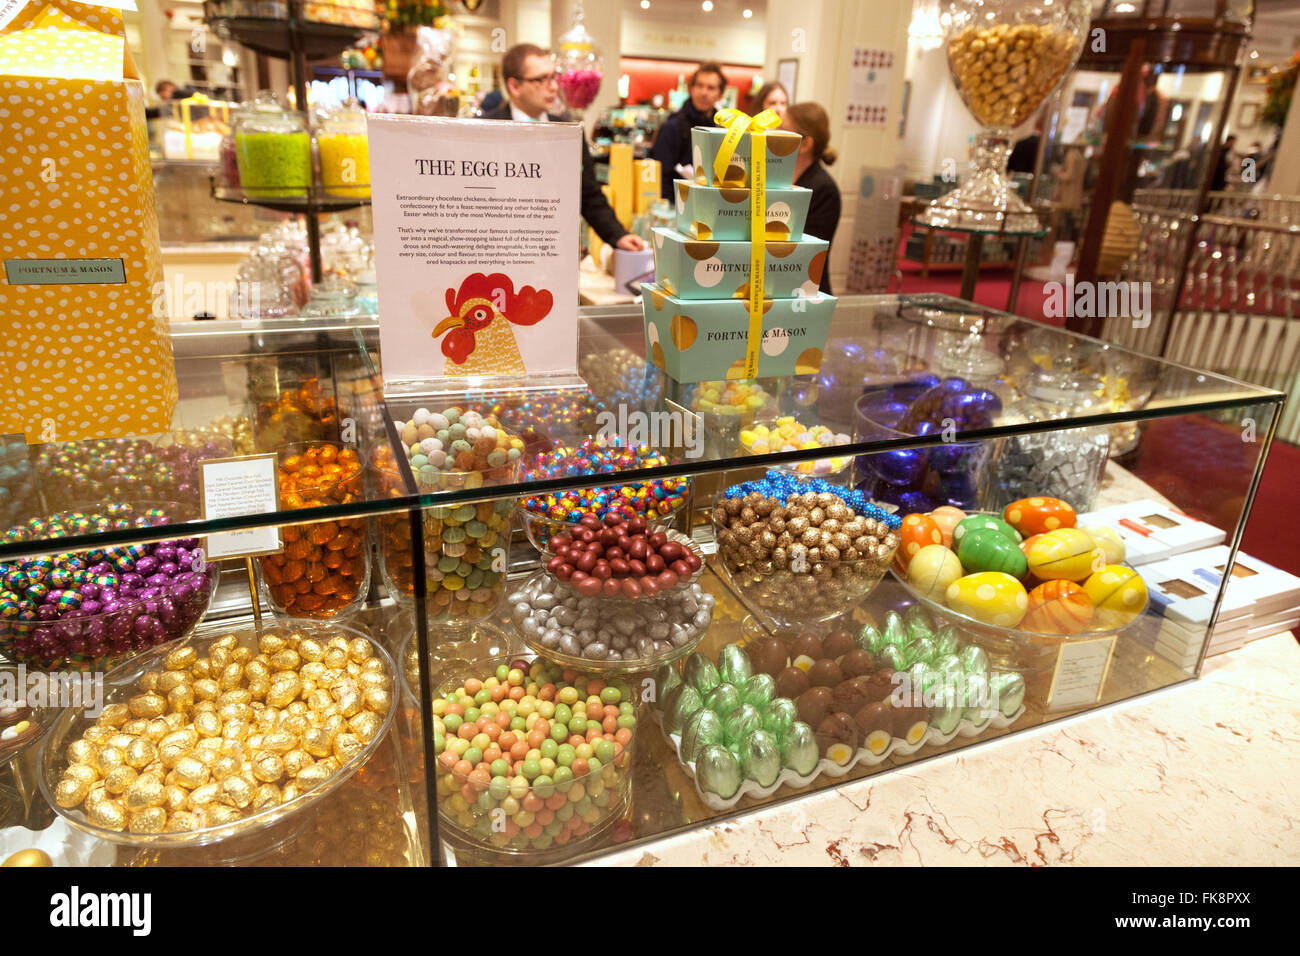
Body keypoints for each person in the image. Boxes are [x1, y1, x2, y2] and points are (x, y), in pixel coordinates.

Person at [482, 44, 644, 252]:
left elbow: (588, 192)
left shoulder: (568, 130)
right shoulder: (486, 129)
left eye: (553, 77)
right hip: (498, 248)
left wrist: (618, 235)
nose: (553, 87)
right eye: (541, 79)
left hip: (554, 249)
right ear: (514, 86)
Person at [782, 102, 840, 295]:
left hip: (806, 292)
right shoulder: (782, 179)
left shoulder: (824, 189)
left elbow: (805, 252)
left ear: (805, 144)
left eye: (783, 131)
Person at [649, 62, 726, 199]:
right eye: (699, 85)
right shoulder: (671, 127)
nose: (704, 92)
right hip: (676, 204)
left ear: (720, 94)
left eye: (711, 87)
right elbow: (661, 177)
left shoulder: (723, 129)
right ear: (691, 89)